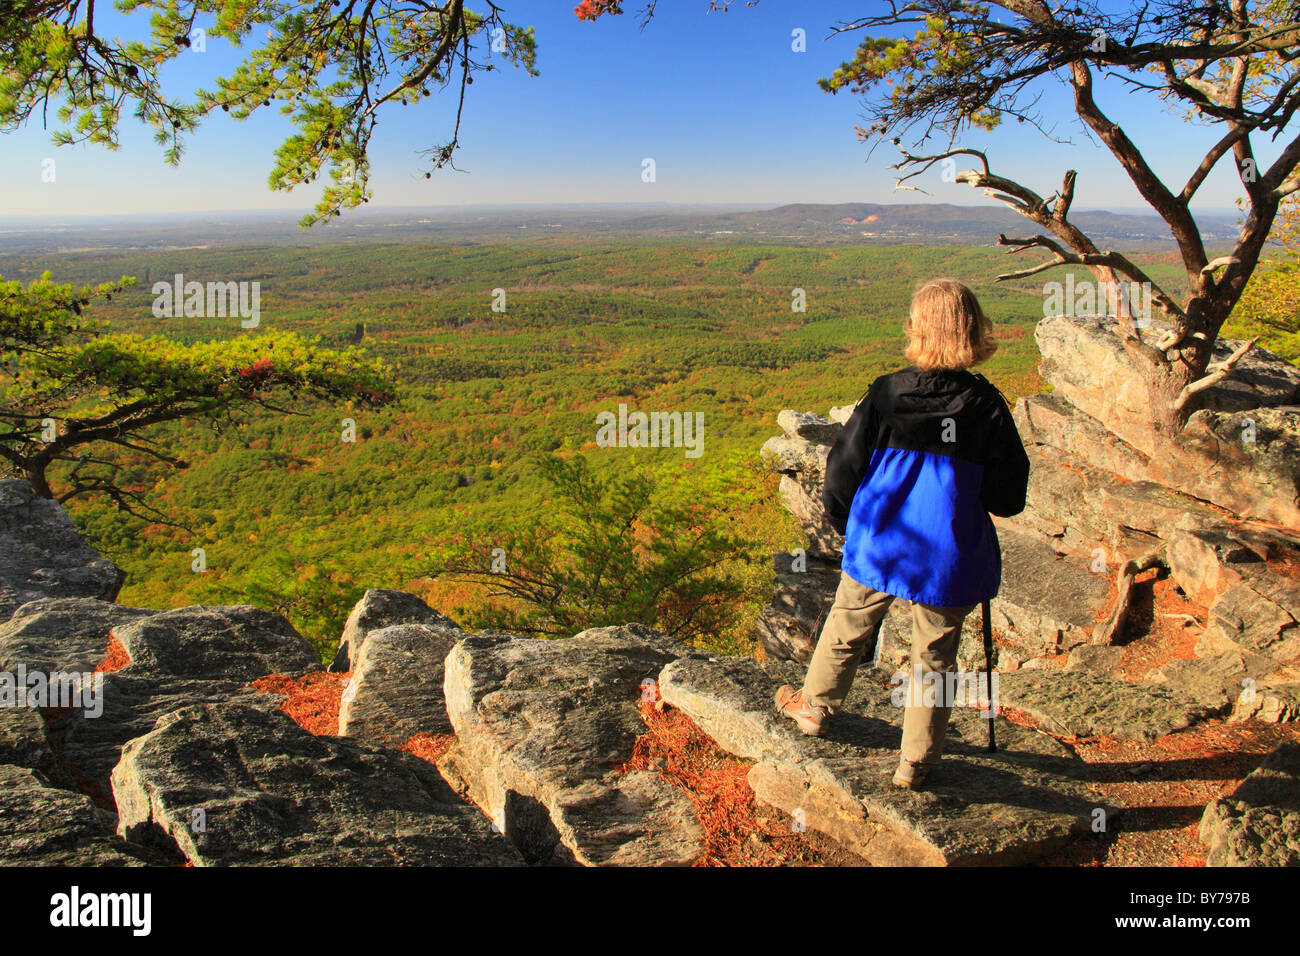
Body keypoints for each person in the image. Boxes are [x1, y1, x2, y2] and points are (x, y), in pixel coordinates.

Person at [774, 278, 1030, 790]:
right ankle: (915, 762)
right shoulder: (987, 407)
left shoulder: (887, 393)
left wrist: (849, 525)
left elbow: (842, 468)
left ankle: (814, 708)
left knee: (848, 622)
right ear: (972, 331)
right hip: (948, 553)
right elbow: (1009, 496)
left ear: (917, 329)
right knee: (934, 655)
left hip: (883, 540)